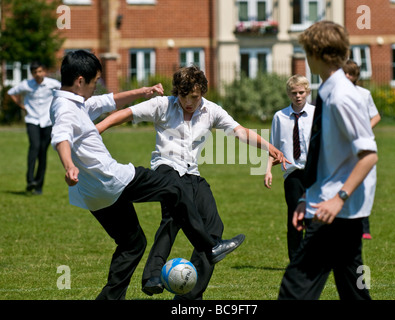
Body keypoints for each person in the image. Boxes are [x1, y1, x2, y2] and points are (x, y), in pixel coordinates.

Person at [50, 50, 247, 300]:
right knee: (175, 187)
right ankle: (210, 247)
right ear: (80, 81)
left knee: (133, 245)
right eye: (95, 81)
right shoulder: (65, 109)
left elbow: (108, 102)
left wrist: (141, 92)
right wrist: (68, 164)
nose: (96, 86)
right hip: (113, 179)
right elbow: (61, 136)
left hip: (92, 194)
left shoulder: (77, 102)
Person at [96, 65, 289, 300]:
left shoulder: (212, 111)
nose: (188, 102)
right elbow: (127, 114)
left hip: (192, 174)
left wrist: (269, 148)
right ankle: (152, 276)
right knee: (173, 220)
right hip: (166, 170)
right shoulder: (164, 105)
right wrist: (99, 128)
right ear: (177, 92)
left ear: (202, 92)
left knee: (214, 229)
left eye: (194, 97)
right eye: (183, 96)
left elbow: (240, 131)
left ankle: (188, 294)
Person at [278, 21, 378, 300]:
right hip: (328, 207)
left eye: (307, 52)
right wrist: (305, 196)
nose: (305, 58)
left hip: (334, 212)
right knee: (353, 291)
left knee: (294, 289)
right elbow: (327, 156)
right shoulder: (328, 91)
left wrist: (339, 198)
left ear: (317, 54)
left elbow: (368, 155)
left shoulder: (342, 97)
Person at [264, 75, 315, 262]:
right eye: (294, 93)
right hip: (292, 173)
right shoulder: (280, 117)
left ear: (307, 92)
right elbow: (273, 147)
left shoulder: (317, 114)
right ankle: (296, 260)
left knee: (313, 218)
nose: (298, 96)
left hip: (313, 173)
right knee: (295, 217)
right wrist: (268, 169)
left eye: (302, 92)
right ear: (288, 94)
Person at [8, 61, 61, 195]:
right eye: (35, 72)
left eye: (40, 71)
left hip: (47, 122)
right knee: (34, 146)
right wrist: (21, 105)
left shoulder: (53, 84)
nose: (38, 74)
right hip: (32, 120)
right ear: (32, 73)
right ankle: (30, 179)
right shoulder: (26, 84)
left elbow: (63, 93)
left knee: (43, 152)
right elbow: (11, 92)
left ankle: (39, 185)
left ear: (44, 71)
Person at [343, 59, 381, 240]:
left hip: (362, 146)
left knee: (366, 184)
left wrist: (365, 129)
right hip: (343, 146)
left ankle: (365, 226)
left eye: (350, 73)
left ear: (356, 76)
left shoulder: (364, 94)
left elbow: (376, 116)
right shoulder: (337, 94)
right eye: (345, 73)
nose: (347, 76)